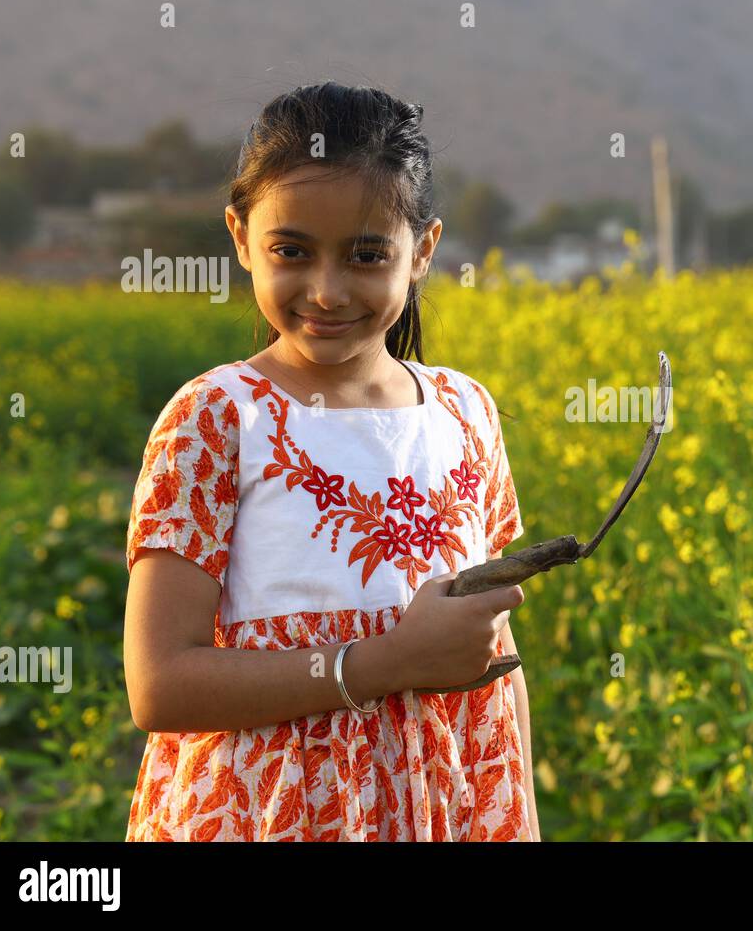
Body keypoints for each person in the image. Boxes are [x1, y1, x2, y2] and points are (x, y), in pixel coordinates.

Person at [122, 81, 539, 841]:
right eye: (291, 251)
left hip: (438, 812)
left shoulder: (465, 413)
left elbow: (495, 656)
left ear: (424, 252)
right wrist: (386, 663)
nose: (326, 289)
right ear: (241, 238)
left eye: (367, 255)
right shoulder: (218, 418)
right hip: (267, 815)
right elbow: (159, 687)